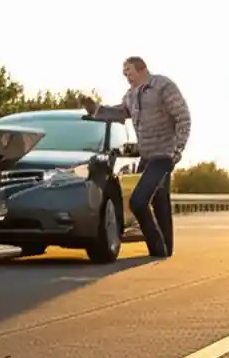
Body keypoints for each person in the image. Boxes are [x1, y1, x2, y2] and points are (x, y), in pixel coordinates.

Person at [80, 56, 191, 258]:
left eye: (129, 71)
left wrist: (177, 150)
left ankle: (158, 250)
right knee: (160, 202)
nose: (127, 76)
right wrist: (94, 109)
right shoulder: (131, 95)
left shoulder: (162, 86)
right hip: (147, 156)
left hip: (164, 154)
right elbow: (119, 113)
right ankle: (165, 252)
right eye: (124, 73)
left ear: (142, 69)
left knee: (138, 201)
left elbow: (183, 117)